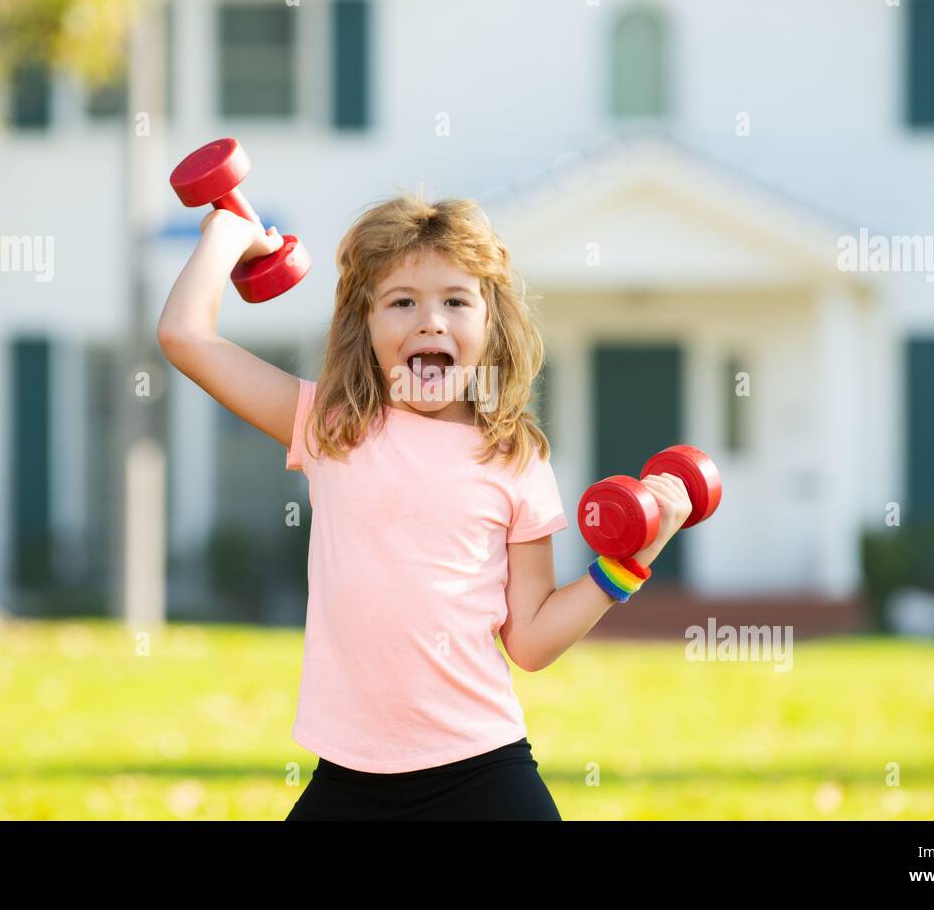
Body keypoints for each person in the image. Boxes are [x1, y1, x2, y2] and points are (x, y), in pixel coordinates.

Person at [157, 191, 692, 820]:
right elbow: (184, 336)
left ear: (491, 323)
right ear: (367, 325)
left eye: (456, 301)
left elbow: (531, 643)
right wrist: (227, 234)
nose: (430, 321)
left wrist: (629, 560)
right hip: (349, 775)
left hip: (480, 771)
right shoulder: (331, 427)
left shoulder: (514, 460)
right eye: (402, 302)